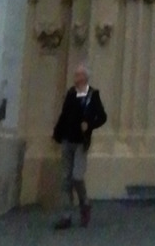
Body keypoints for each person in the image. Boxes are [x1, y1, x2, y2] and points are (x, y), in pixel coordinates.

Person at [52, 65, 107, 229]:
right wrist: (57, 134)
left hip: (81, 141)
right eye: (75, 74)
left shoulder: (92, 95)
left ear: (85, 77)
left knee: (77, 176)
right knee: (65, 180)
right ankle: (66, 215)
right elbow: (64, 115)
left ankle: (84, 202)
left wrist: (90, 124)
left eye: (78, 74)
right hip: (68, 138)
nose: (75, 77)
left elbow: (102, 117)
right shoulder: (71, 93)